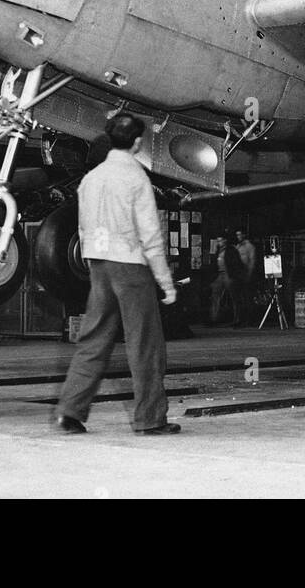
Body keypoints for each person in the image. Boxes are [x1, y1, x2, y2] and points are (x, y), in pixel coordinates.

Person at [53, 112, 179, 435]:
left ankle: (70, 412)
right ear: (137, 142)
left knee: (94, 338)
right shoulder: (137, 178)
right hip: (130, 266)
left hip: (98, 265)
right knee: (144, 343)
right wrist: (165, 281)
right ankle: (150, 418)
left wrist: (93, 258)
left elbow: (82, 227)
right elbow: (150, 236)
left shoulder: (90, 180)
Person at [232, 229, 256, 326]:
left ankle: (249, 319)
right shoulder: (237, 246)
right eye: (237, 235)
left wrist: (249, 275)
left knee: (247, 298)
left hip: (246, 275)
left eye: (240, 234)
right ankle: (240, 319)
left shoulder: (249, 247)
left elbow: (252, 262)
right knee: (240, 298)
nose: (238, 237)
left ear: (244, 235)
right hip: (239, 275)